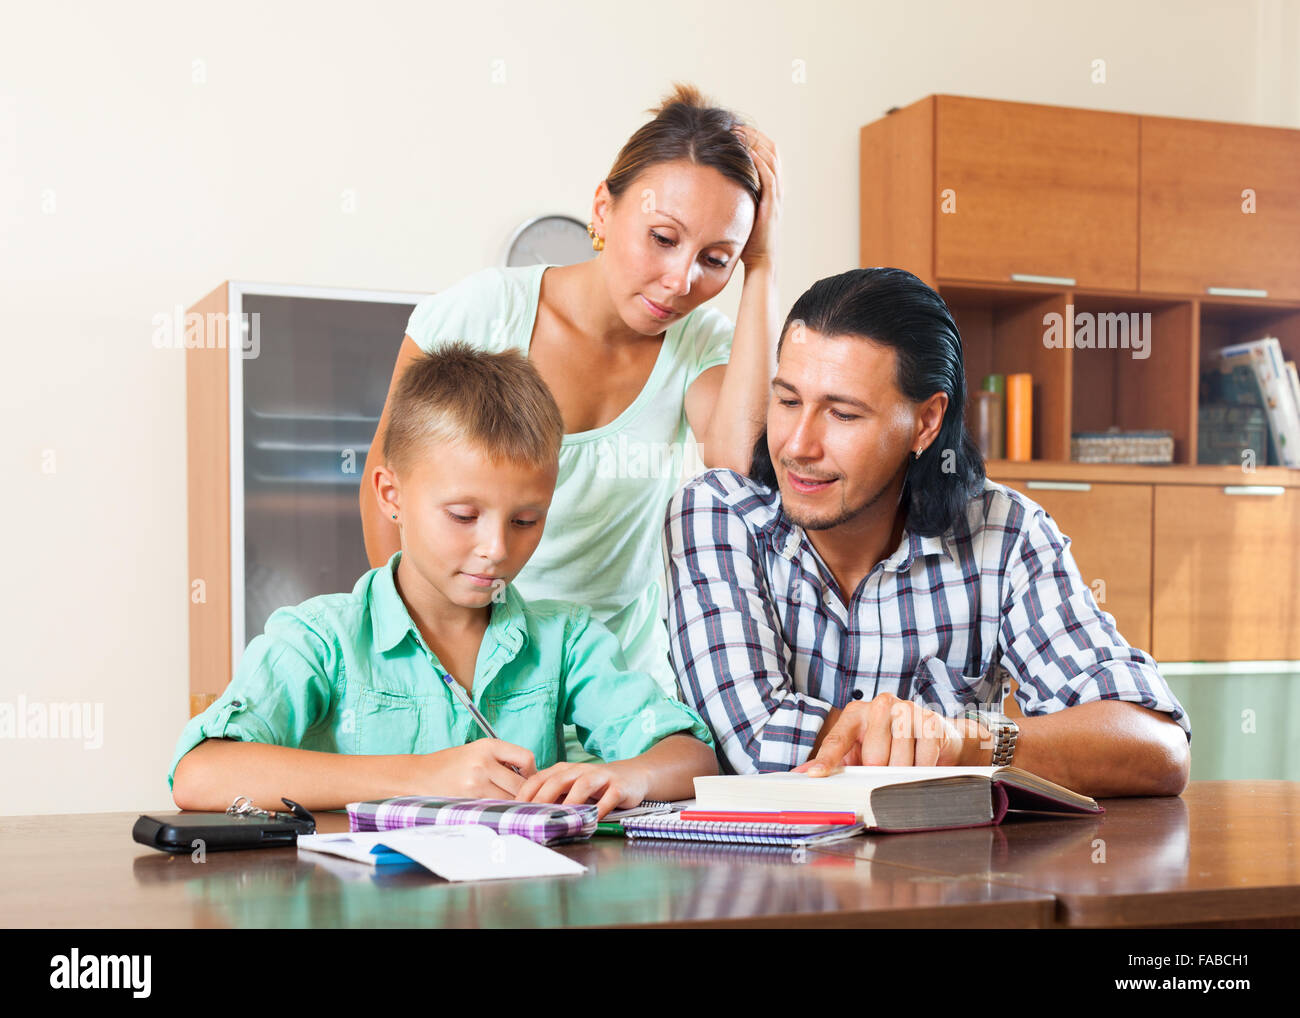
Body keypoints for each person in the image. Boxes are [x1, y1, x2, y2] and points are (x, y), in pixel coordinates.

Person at [664, 267, 1191, 797]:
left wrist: (965, 742)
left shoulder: (1005, 535)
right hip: (759, 877)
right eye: (787, 401)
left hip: (947, 873)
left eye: (842, 414)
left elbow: (1159, 749)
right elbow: (753, 743)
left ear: (926, 421)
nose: (798, 445)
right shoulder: (717, 516)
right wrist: (908, 743)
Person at [360, 84, 782, 732]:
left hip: (616, 696)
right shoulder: (482, 312)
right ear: (603, 210)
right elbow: (388, 488)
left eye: (715, 259)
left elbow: (738, 464)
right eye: (663, 238)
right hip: (470, 677)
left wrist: (762, 269)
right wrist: (432, 664)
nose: (681, 280)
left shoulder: (702, 343)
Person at [170, 344, 716, 817]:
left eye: (525, 520)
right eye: (462, 516)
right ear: (392, 496)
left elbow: (692, 757)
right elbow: (201, 774)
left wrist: (631, 778)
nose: (497, 549)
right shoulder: (320, 640)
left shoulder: (566, 641)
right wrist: (423, 776)